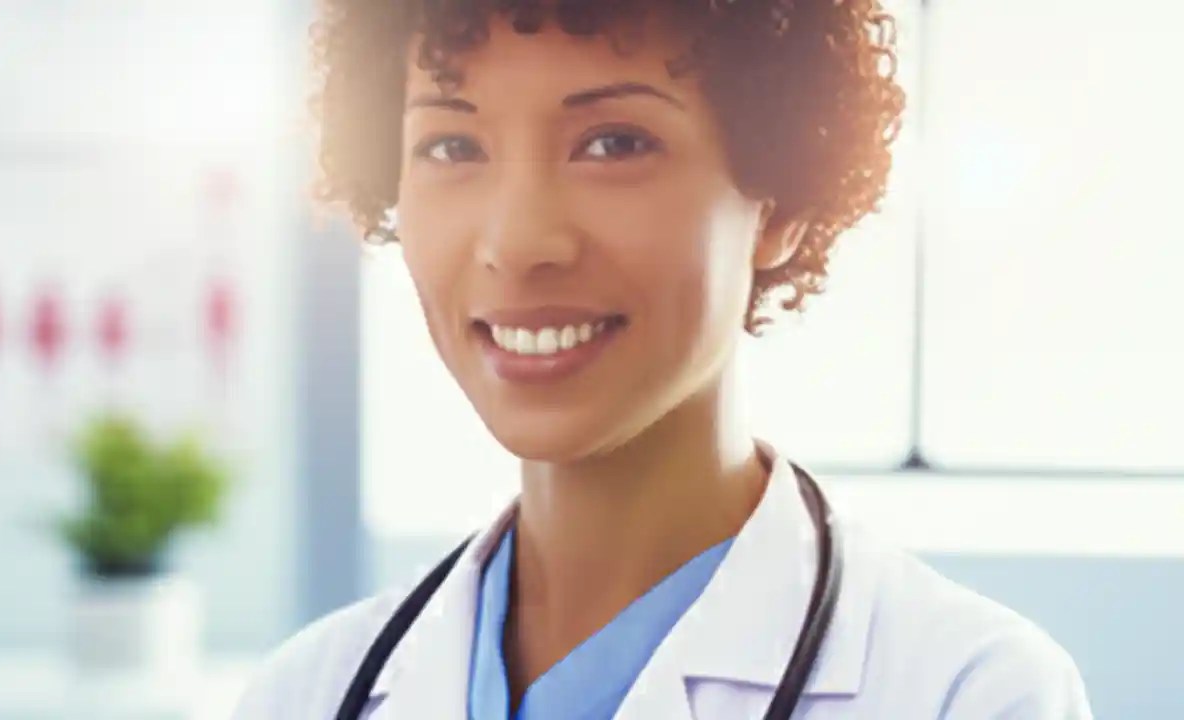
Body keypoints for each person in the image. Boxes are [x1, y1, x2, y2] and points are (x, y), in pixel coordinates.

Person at [234, 0, 1092, 717]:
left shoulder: (967, 692)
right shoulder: (309, 694)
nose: (517, 241)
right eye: (452, 147)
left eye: (614, 143)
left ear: (780, 202)